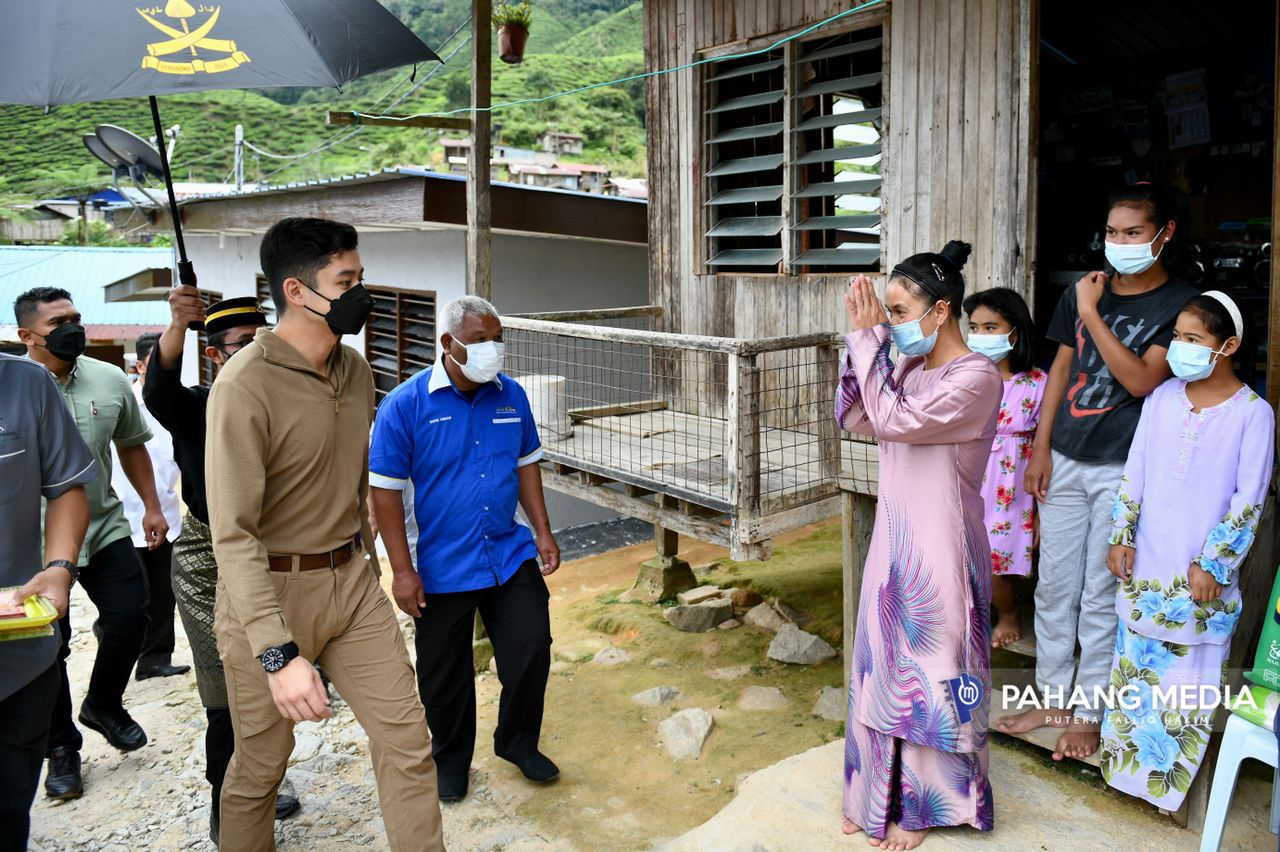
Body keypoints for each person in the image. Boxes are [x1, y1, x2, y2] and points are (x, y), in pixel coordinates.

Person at [206, 217, 443, 851]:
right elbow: (232, 536)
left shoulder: (356, 371)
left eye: (360, 277)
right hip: (271, 596)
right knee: (260, 770)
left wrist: (382, 562)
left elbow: (361, 480)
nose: (360, 292)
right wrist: (278, 655)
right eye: (347, 280)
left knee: (409, 744)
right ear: (296, 290)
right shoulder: (242, 386)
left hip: (353, 585)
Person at [998, 184, 1198, 761]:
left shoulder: (1179, 307)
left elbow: (1141, 380)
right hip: (1063, 459)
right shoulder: (1082, 290)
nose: (1120, 243)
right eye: (1113, 232)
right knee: (1055, 589)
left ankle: (1089, 714)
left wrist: (1092, 312)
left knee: (1101, 593)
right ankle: (1055, 700)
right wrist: (1040, 449)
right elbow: (1060, 370)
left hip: (1122, 467)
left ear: (1165, 235)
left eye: (1133, 233)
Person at [836, 242, 1001, 851]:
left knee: (938, 671)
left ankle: (932, 806)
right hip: (895, 541)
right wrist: (868, 343)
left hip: (945, 551)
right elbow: (857, 415)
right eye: (890, 312)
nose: (893, 323)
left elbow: (898, 421)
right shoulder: (908, 367)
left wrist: (868, 344)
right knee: (883, 666)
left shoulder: (977, 377)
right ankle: (871, 795)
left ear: (942, 310)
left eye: (901, 312)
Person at [370, 295, 562, 804]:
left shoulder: (511, 397)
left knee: (531, 644)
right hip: (438, 565)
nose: (490, 350)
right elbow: (383, 492)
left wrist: (542, 530)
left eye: (496, 339)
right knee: (444, 673)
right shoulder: (405, 405)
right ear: (448, 344)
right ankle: (450, 761)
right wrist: (401, 570)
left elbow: (527, 465)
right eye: (479, 340)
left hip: (507, 552)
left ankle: (517, 743)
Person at [1100, 291, 1273, 810]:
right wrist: (1121, 533)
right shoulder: (1162, 398)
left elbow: (1250, 497)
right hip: (1147, 560)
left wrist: (1214, 562)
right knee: (1136, 664)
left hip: (1200, 573)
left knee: (1187, 674)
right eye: (1177, 337)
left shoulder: (1253, 414)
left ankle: (1167, 787)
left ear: (1229, 346)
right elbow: (1136, 469)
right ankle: (1123, 773)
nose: (1180, 347)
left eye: (1193, 339)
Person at [142, 293, 300, 843]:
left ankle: (264, 779)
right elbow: (158, 389)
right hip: (209, 564)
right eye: (241, 345)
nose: (258, 352)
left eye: (264, 340)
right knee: (225, 699)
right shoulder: (197, 407)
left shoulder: (286, 395)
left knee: (276, 679)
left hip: (274, 559)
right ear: (213, 356)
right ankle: (225, 800)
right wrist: (176, 325)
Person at [14, 287, 168, 800]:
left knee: (130, 616)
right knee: (48, 649)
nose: (72, 328)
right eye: (59, 321)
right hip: (31, 545)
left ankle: (103, 702)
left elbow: (131, 446)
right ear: (27, 336)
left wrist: (150, 505)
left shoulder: (108, 378)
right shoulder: (12, 390)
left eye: (76, 318)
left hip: (103, 526)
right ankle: (61, 749)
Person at [0, 353, 96, 852]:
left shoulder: (25, 384)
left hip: (18, 656)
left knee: (9, 809)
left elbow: (66, 489)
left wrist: (60, 569)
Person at [962, 288, 1046, 648]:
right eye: (975, 327)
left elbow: (1048, 449)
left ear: (1015, 332)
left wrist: (1043, 509)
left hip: (1010, 489)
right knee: (961, 559)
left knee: (993, 564)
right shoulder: (962, 378)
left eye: (991, 327)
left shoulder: (1037, 384)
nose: (981, 336)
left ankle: (1008, 613)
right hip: (966, 482)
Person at [111, 332, 189, 681]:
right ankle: (118, 652)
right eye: (156, 361)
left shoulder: (177, 403)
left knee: (162, 592)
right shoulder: (122, 403)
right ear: (140, 365)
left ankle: (155, 659)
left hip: (167, 513)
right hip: (123, 517)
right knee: (129, 596)